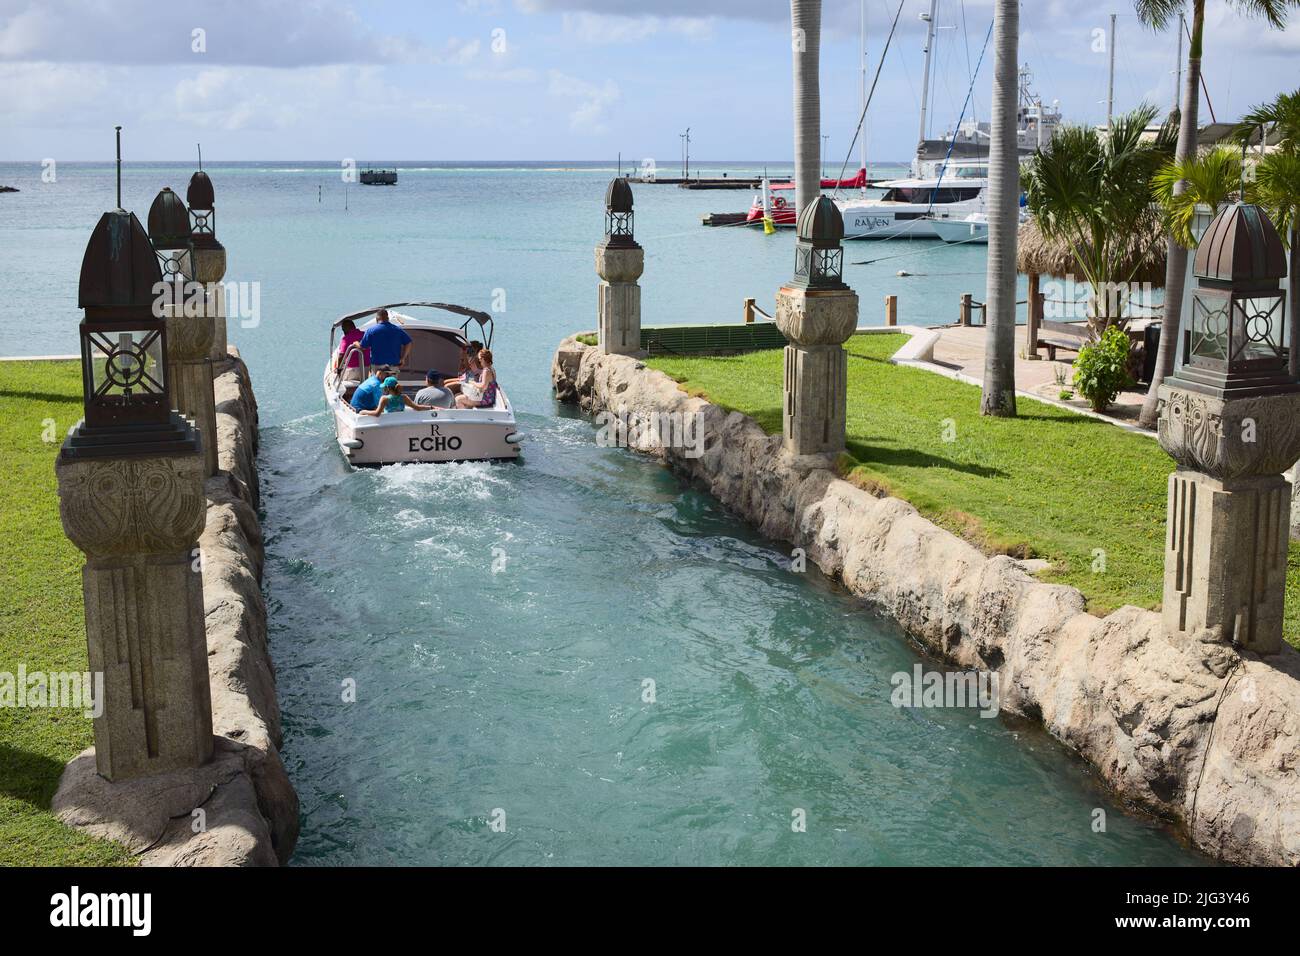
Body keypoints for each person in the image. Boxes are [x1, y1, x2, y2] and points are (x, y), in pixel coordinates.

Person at [357, 376, 430, 417]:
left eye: (384, 387)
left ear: (387, 388)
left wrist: (364, 411)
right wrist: (431, 407)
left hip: (387, 423)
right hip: (400, 422)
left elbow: (377, 414)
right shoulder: (404, 397)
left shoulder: (384, 399)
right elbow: (417, 407)